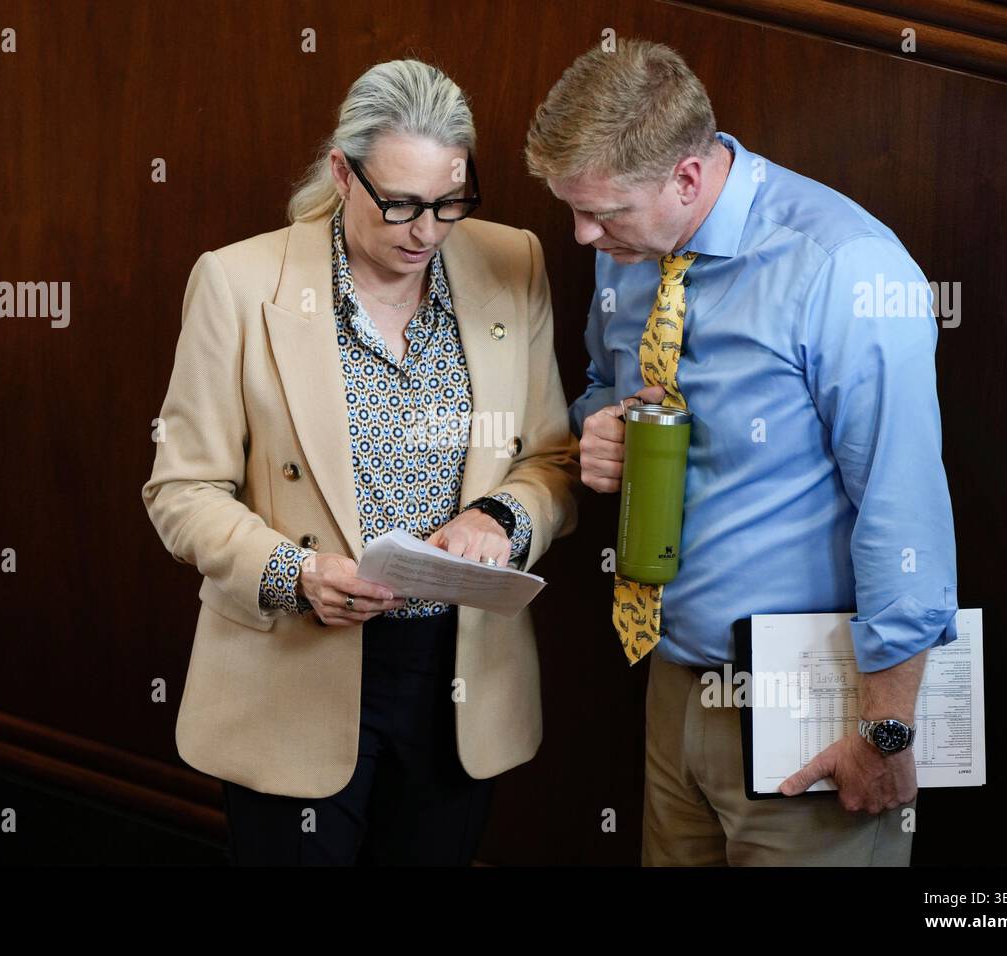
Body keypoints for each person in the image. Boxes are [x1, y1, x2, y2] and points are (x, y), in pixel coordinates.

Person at [525, 39, 958, 866]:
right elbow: (593, 380)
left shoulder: (846, 269)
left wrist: (887, 729)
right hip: (671, 681)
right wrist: (600, 424)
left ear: (686, 179)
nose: (582, 236)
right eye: (574, 210)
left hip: (818, 706)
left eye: (603, 212)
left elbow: (904, 515)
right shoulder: (630, 251)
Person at [142, 58, 579, 865]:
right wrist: (293, 573)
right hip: (293, 676)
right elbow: (182, 489)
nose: (427, 231)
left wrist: (503, 517)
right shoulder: (238, 284)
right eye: (403, 205)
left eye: (451, 203)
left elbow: (551, 458)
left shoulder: (512, 263)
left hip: (458, 682)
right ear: (343, 174)